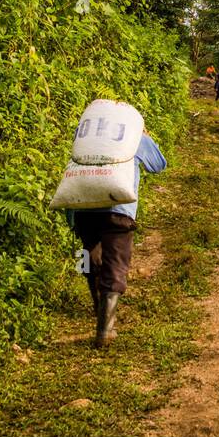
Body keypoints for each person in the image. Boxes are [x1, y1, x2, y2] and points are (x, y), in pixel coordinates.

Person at [68, 127, 166, 347]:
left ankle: (99, 309)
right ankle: (105, 330)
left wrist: (71, 216)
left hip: (83, 206)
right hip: (118, 210)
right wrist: (146, 135)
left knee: (88, 256)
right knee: (115, 262)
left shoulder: (85, 133)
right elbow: (158, 164)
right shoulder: (132, 134)